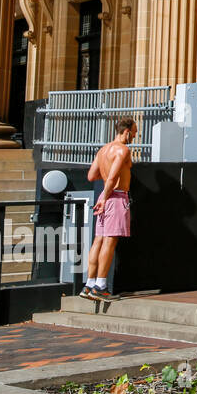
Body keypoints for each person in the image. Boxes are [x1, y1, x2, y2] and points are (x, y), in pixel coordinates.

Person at [82, 117, 136, 302]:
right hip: (114, 197)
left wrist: (103, 193)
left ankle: (89, 284)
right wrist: (106, 197)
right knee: (109, 242)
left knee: (98, 240)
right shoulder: (123, 150)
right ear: (127, 131)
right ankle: (101, 286)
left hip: (104, 197)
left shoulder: (103, 150)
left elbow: (91, 175)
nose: (135, 136)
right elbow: (112, 178)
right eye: (134, 132)